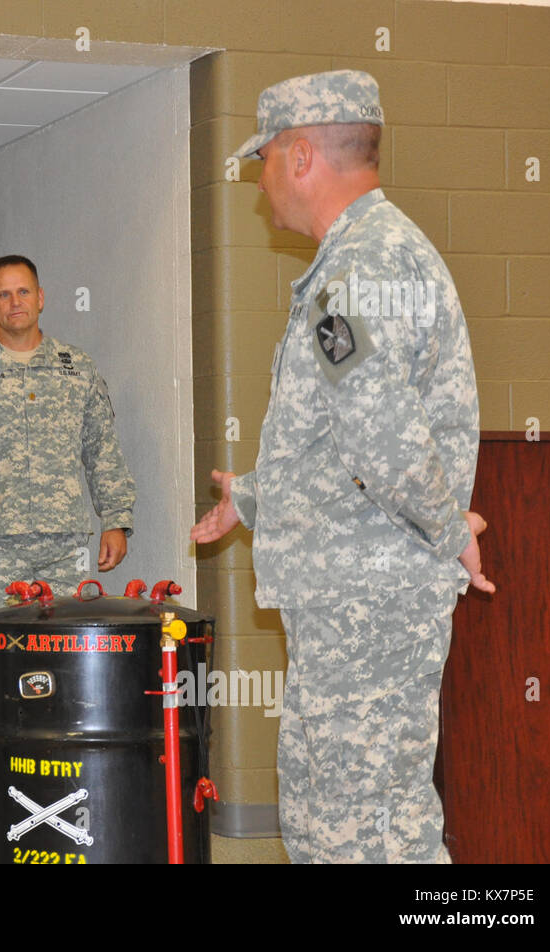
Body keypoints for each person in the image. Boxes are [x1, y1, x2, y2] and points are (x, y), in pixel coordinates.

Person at [189, 71, 493, 864]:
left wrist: (447, 524)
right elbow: (342, 430)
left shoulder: (363, 266)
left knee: (358, 832)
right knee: (362, 822)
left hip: (370, 599)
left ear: (299, 157)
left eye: (263, 160)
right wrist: (255, 496)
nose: (259, 182)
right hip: (360, 597)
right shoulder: (361, 260)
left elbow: (379, 429)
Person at [0, 255, 135, 835]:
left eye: (23, 291)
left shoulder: (77, 370)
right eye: (2, 295)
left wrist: (116, 518)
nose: (14, 302)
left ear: (42, 298)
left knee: (60, 667)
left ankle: (57, 784)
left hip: (63, 546)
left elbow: (103, 451)